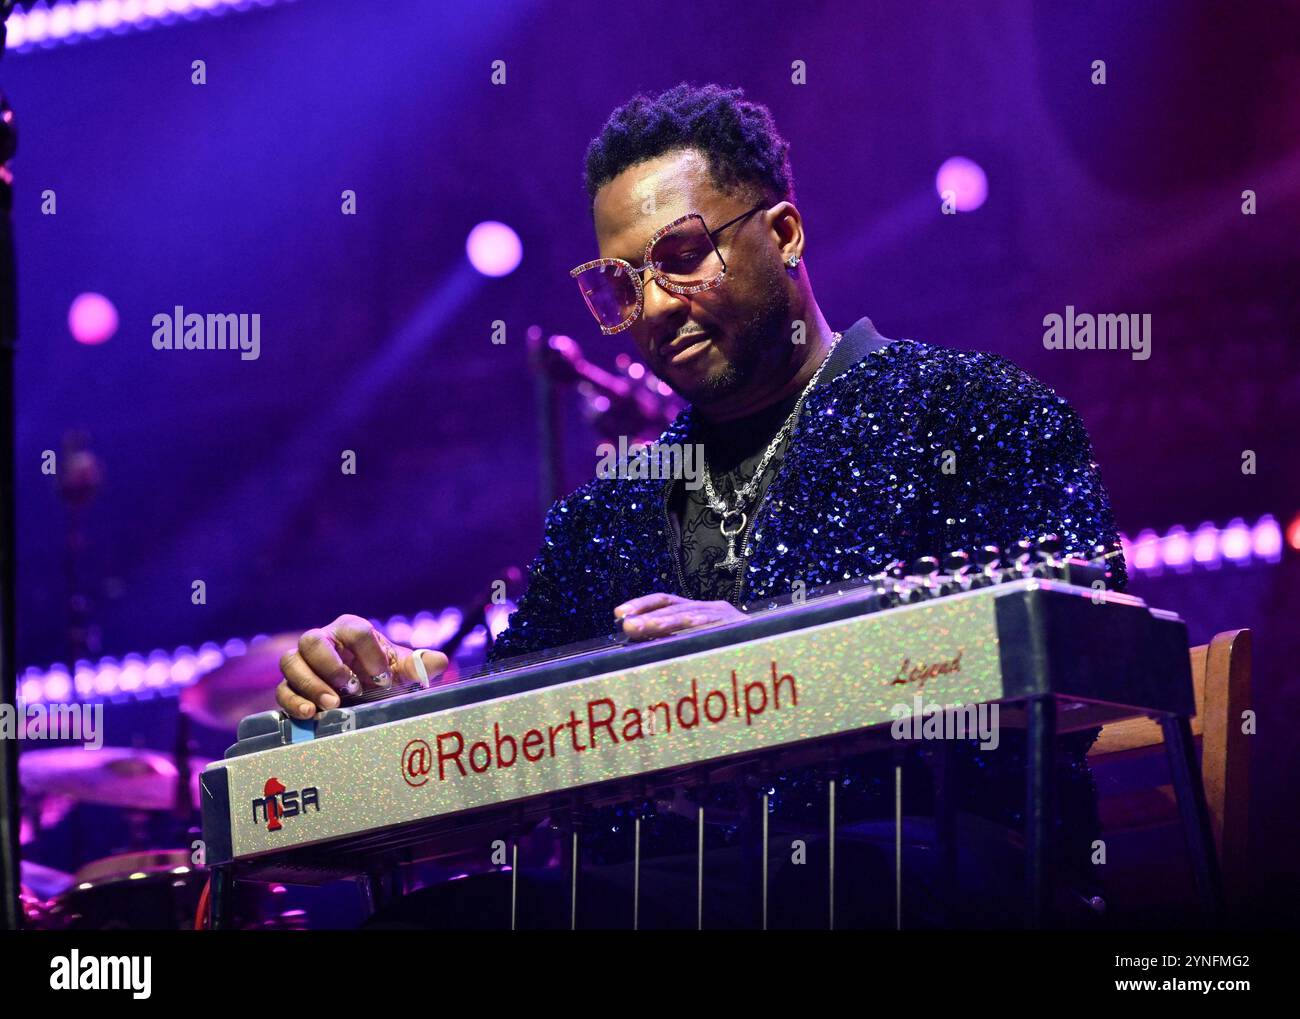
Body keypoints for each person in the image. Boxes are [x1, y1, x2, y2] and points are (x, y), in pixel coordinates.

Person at [274, 83, 1125, 928]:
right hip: (654, 894)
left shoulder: (970, 413)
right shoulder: (606, 515)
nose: (650, 306)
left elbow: (1085, 663)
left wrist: (768, 662)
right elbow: (503, 748)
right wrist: (399, 701)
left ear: (784, 233)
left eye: (682, 254)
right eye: (623, 282)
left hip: (919, 872)